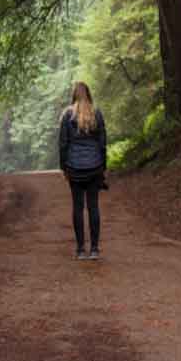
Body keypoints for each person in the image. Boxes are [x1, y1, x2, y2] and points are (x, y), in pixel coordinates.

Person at [59, 80, 107, 259]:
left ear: (74, 95)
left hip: (74, 167)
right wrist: (103, 166)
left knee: (78, 207)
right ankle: (94, 249)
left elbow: (63, 144)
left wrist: (64, 167)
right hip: (94, 166)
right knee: (93, 207)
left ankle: (80, 250)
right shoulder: (97, 113)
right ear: (88, 93)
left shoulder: (67, 115)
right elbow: (102, 143)